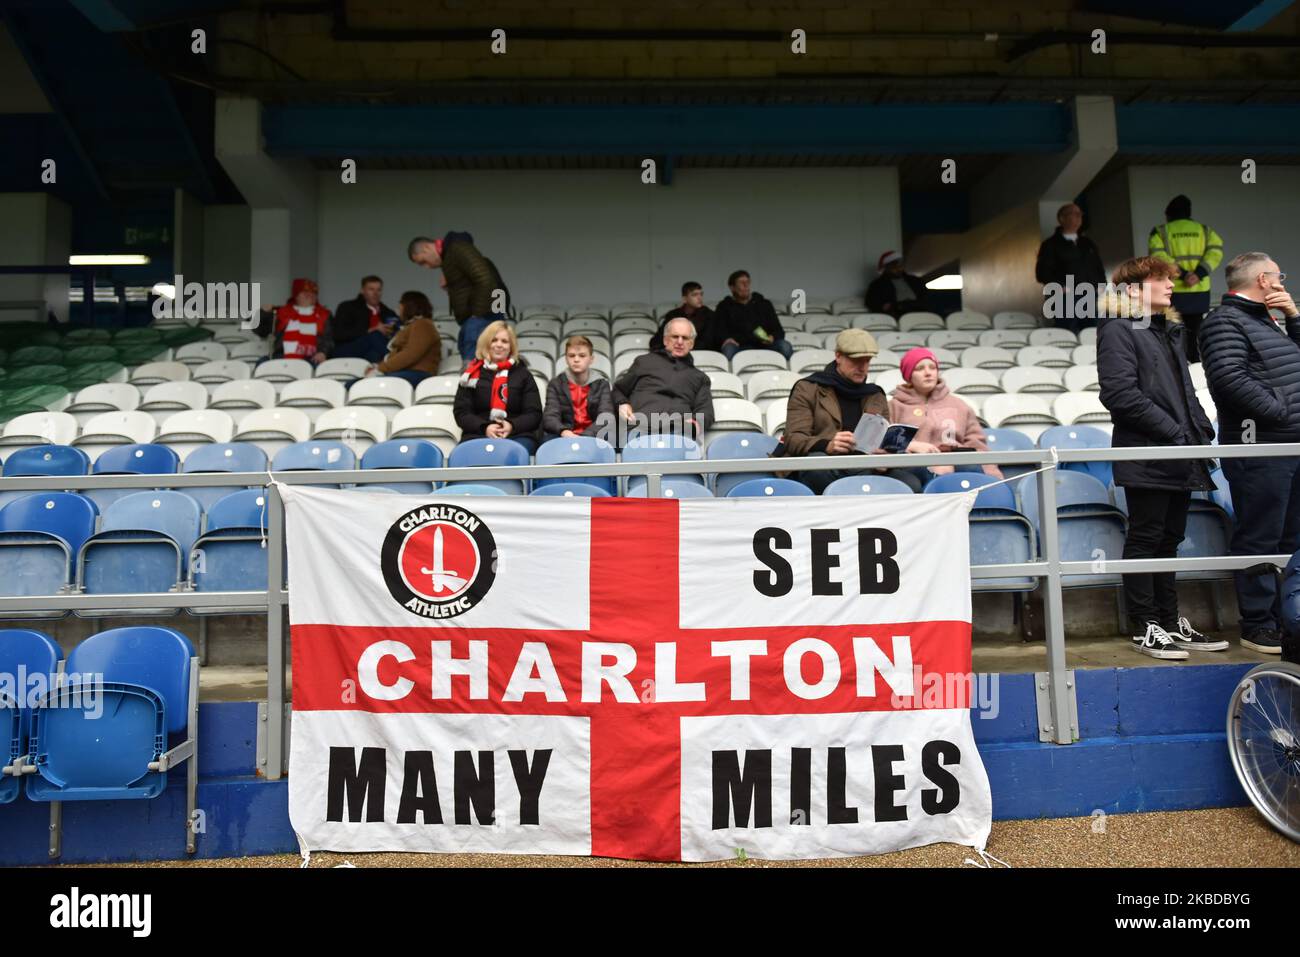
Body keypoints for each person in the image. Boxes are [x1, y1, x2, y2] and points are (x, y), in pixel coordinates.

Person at [1096, 256, 1222, 660]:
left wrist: (1200, 431)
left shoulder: (1167, 329)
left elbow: (1186, 391)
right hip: (1148, 452)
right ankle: (1144, 625)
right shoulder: (1118, 328)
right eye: (1161, 279)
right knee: (1146, 537)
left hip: (1179, 452)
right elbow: (1119, 395)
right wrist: (1176, 433)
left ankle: (1168, 621)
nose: (1171, 285)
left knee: (1169, 538)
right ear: (1134, 289)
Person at [1199, 251, 1300, 655]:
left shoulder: (1269, 320)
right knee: (1261, 536)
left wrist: (1294, 316)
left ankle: (1288, 621)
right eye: (1279, 276)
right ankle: (1258, 624)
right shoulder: (1223, 321)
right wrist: (1280, 411)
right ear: (1263, 279)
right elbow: (1228, 379)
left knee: (1291, 538)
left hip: (1289, 444)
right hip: (1260, 446)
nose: (1282, 282)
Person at [782, 328, 926, 493]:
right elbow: (793, 438)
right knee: (816, 466)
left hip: (866, 465)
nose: (862, 367)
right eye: (856, 360)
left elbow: (883, 442)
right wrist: (827, 445)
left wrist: (884, 456)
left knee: (912, 482)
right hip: (828, 464)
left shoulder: (875, 394)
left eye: (867, 361)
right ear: (838, 356)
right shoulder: (808, 388)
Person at [888, 347, 1002, 489]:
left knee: (971, 469)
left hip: (958, 466)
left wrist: (994, 479)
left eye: (932, 367)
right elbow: (885, 443)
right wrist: (911, 445)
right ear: (909, 375)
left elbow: (977, 446)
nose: (928, 373)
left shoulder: (959, 405)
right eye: (919, 368)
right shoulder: (894, 406)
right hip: (914, 467)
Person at [409, 233, 510, 362]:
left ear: (426, 248)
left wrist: (476, 315)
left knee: (474, 363)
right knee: (474, 359)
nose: (427, 267)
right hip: (481, 313)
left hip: (484, 313)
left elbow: (485, 279)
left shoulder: (457, 248)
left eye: (423, 262)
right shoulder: (450, 257)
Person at [1148, 195, 1224, 362]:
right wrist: (1199, 274)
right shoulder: (1204, 230)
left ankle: (1177, 364)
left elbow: (1158, 255)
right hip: (1199, 289)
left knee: (1172, 329)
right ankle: (1196, 364)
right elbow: (1216, 252)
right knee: (1196, 329)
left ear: (1169, 214)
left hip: (1172, 290)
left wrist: (1182, 274)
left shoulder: (1161, 231)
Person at [613, 318, 714, 441]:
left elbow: (706, 411)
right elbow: (618, 390)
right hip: (639, 430)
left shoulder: (700, 378)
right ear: (665, 340)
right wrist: (622, 403)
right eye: (675, 336)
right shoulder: (644, 362)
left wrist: (692, 426)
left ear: (691, 344)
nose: (680, 342)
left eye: (685, 338)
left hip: (677, 433)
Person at [453, 320, 542, 455]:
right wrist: (486, 427)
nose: (499, 345)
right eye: (494, 340)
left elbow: (534, 414)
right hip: (477, 434)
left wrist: (511, 426)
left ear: (511, 347)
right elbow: (462, 413)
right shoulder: (470, 375)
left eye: (504, 341)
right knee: (462, 455)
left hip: (517, 435)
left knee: (517, 453)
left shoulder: (523, 375)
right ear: (486, 344)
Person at [1034, 203, 1107, 333]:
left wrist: (1101, 286)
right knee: (1068, 332)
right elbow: (1042, 272)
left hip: (1091, 295)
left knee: (1092, 332)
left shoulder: (1087, 243)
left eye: (1080, 214)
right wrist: (1060, 287)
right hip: (1065, 298)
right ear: (1062, 218)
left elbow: (1098, 268)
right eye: (1074, 214)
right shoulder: (1051, 244)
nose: (1079, 217)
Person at [543, 335, 615, 440]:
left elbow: (606, 417)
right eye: (571, 356)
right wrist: (564, 431)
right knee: (547, 441)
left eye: (582, 355)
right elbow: (550, 417)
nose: (576, 359)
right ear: (566, 359)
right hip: (564, 435)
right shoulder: (556, 384)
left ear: (591, 359)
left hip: (593, 435)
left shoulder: (601, 384)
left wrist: (584, 436)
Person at [714, 270, 792, 361]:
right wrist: (726, 339)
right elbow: (719, 331)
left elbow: (778, 330)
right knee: (728, 349)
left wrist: (772, 337)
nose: (746, 286)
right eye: (741, 283)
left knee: (785, 346)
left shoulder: (764, 304)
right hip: (739, 346)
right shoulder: (724, 306)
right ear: (732, 287)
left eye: (748, 282)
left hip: (764, 345)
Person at [369, 290, 442, 386]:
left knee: (364, 384)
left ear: (408, 306)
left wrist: (380, 369)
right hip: (405, 373)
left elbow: (410, 354)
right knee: (356, 383)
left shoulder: (423, 324)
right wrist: (378, 366)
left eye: (401, 304)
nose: (399, 308)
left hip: (418, 374)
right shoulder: (413, 325)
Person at [257, 278, 332, 364]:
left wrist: (323, 352)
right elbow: (260, 331)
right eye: (305, 292)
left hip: (312, 357)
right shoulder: (281, 312)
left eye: (313, 292)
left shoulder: (324, 314)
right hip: (282, 356)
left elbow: (328, 339)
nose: (310, 295)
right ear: (296, 294)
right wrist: (264, 313)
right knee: (262, 363)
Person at [330, 275, 398, 363]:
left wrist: (389, 332)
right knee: (375, 335)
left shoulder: (388, 312)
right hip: (347, 349)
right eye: (371, 289)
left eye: (379, 290)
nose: (375, 293)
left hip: (373, 351)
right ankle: (394, 361)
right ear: (362, 290)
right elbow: (339, 334)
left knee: (373, 354)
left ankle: (385, 365)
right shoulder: (347, 307)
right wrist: (370, 330)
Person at [653, 282, 724, 353]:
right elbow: (658, 339)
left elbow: (708, 341)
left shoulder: (709, 315)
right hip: (675, 352)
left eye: (701, 294)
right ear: (685, 299)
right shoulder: (673, 315)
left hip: (701, 353)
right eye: (694, 295)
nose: (699, 298)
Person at [866, 251, 929, 318]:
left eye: (900, 265)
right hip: (896, 315)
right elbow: (872, 303)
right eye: (894, 266)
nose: (898, 269)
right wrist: (888, 307)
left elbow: (926, 298)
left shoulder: (915, 281)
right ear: (886, 268)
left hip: (920, 311)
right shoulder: (877, 285)